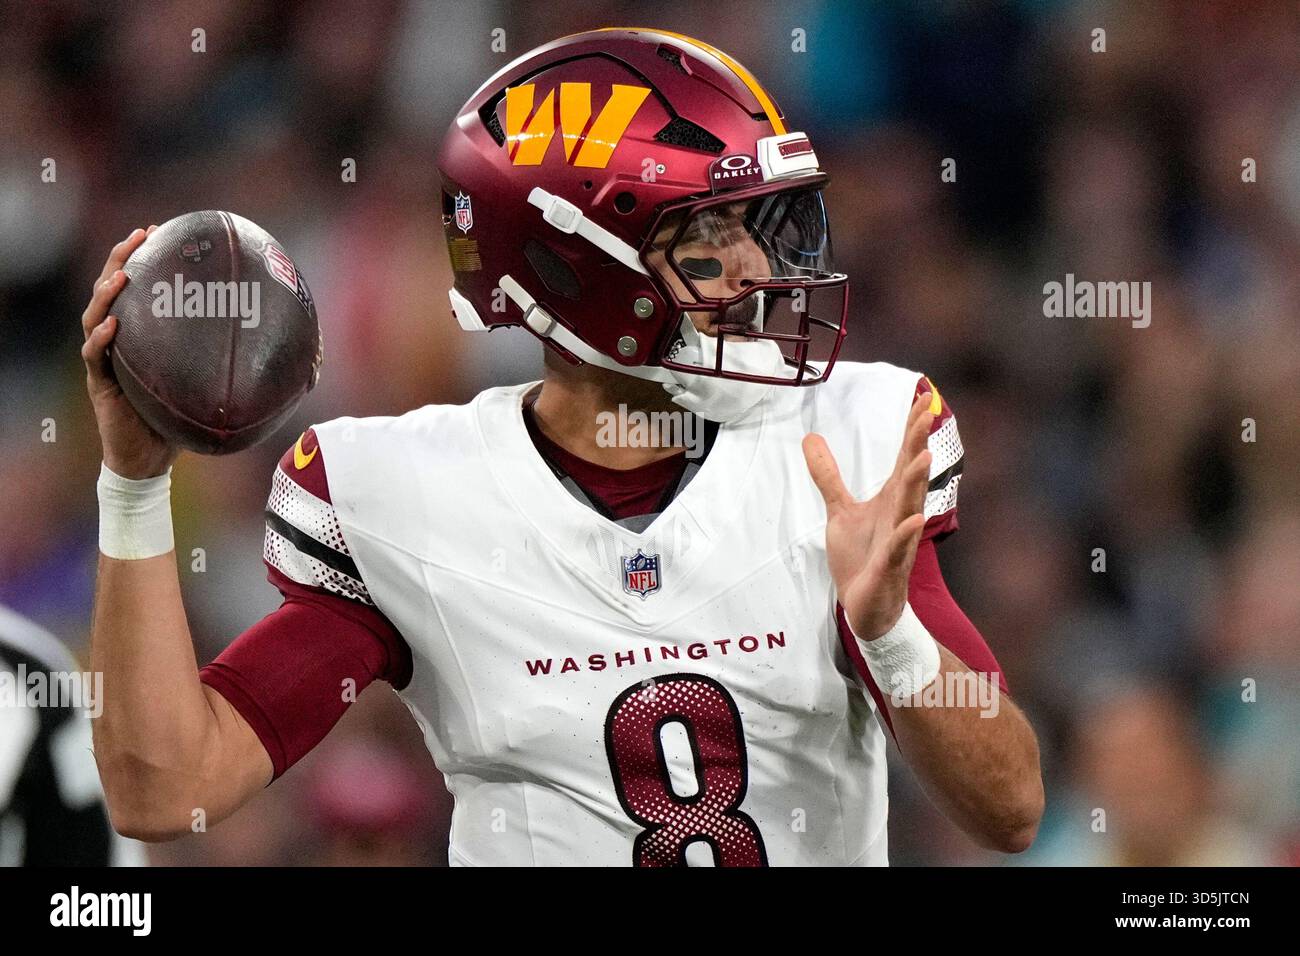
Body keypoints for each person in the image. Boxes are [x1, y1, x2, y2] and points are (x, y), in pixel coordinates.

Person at [81, 28, 1042, 865]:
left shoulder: (844, 446)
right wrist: (134, 483)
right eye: (707, 233)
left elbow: (1011, 811)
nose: (758, 269)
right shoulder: (409, 497)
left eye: (755, 227)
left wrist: (892, 637)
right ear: (575, 264)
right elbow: (167, 790)